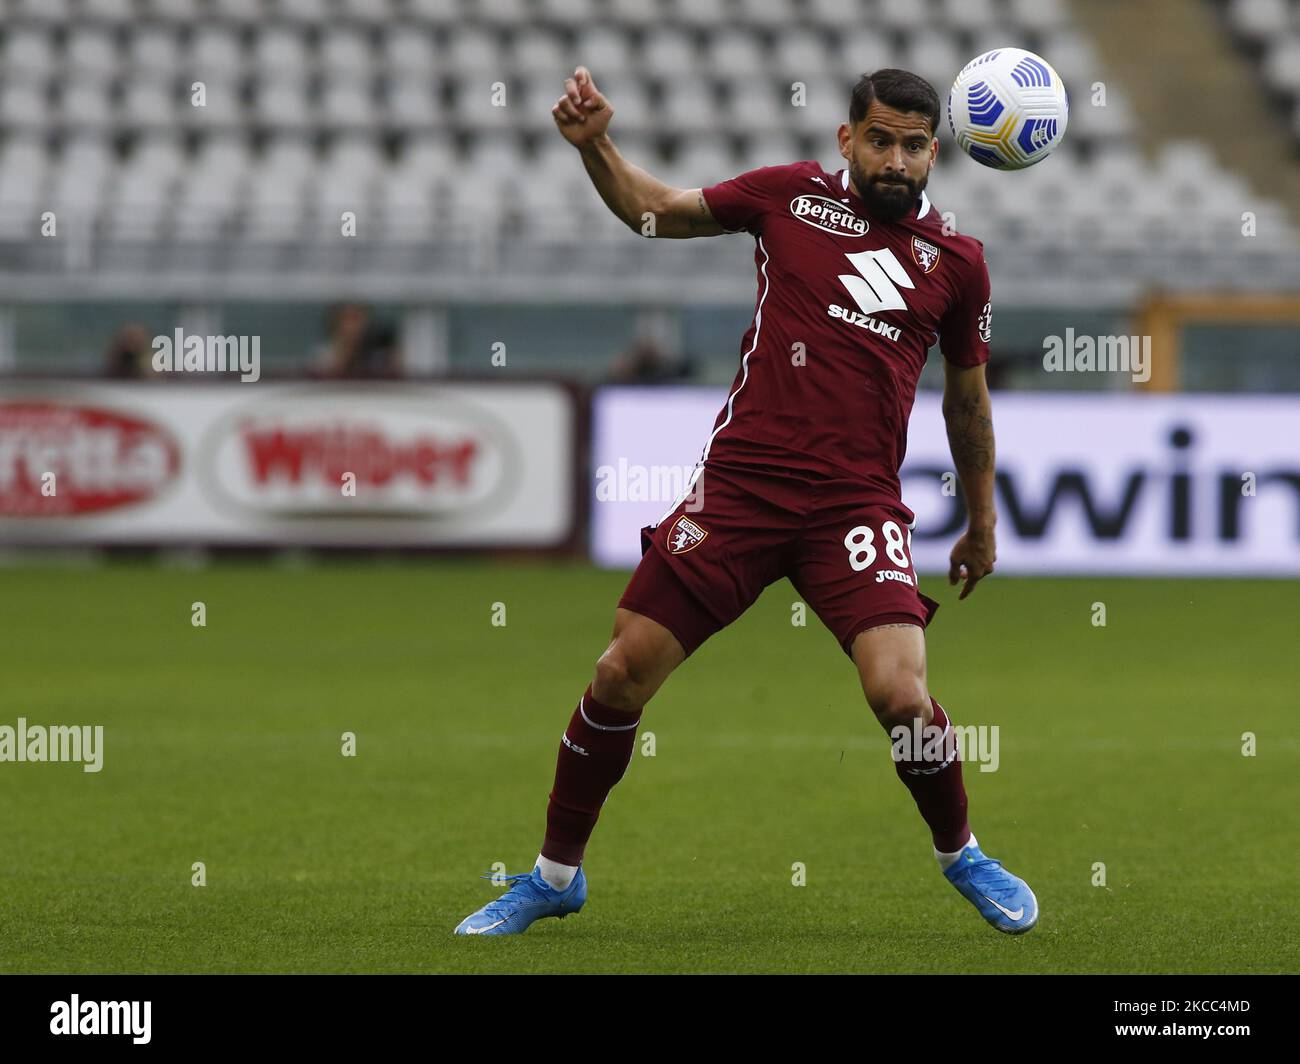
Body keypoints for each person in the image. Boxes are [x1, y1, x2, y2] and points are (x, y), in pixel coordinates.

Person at [455, 66, 1036, 937]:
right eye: (880, 139)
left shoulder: (959, 264)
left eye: (916, 145)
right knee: (619, 674)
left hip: (855, 506)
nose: (897, 158)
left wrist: (982, 522)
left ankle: (964, 854)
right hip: (742, 489)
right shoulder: (787, 198)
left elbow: (967, 402)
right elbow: (655, 213)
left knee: (903, 699)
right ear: (847, 140)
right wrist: (597, 148)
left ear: (936, 153)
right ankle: (553, 875)